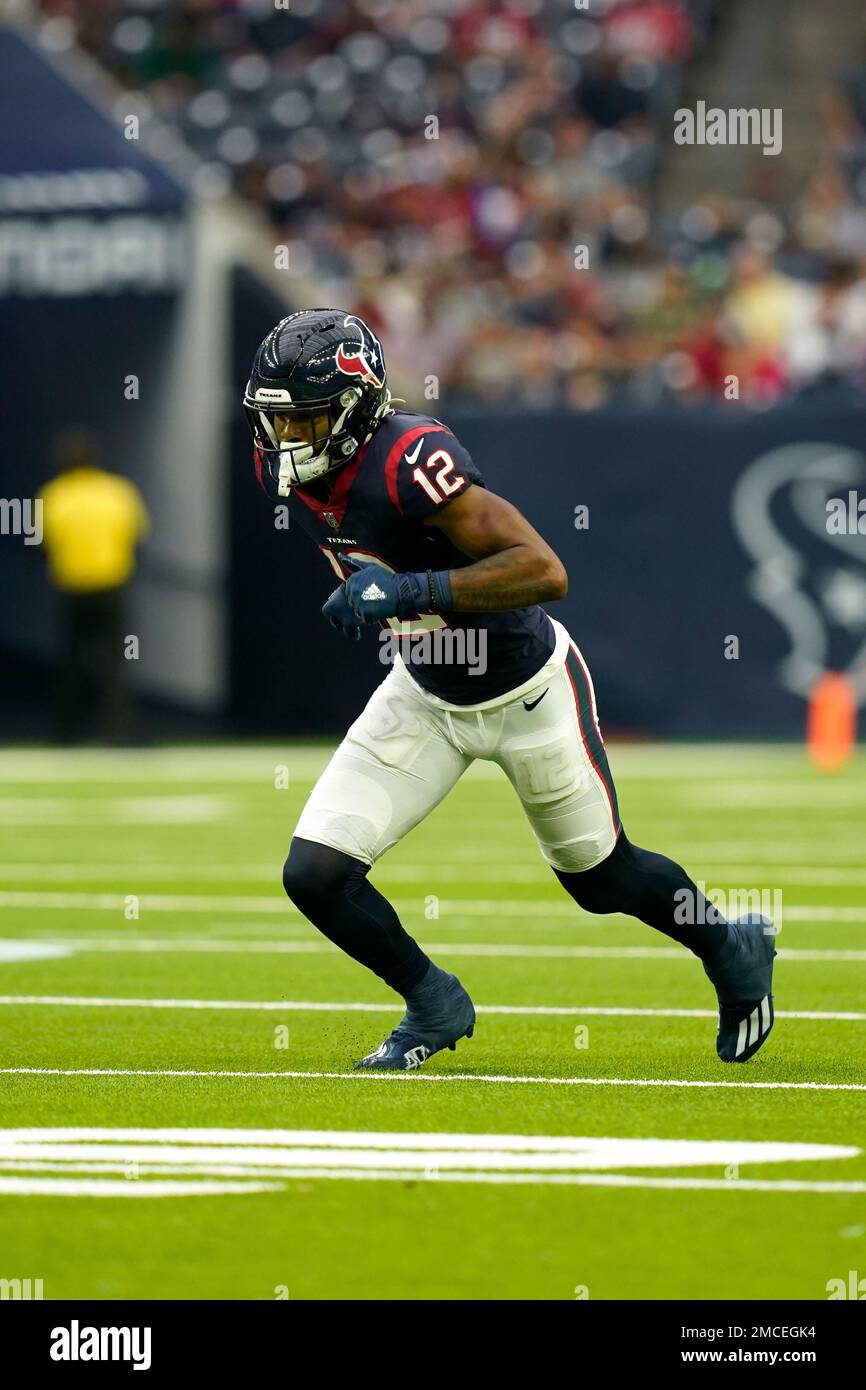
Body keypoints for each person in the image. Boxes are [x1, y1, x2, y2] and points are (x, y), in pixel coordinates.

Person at [244, 309, 776, 1071]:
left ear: (355, 408)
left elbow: (544, 570)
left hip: (526, 687)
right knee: (316, 873)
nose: (285, 437)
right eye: (277, 418)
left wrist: (405, 590)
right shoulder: (285, 463)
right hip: (425, 691)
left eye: (304, 418)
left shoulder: (410, 458)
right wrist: (400, 600)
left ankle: (731, 948)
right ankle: (433, 1000)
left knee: (600, 878)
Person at [39, 429, 149, 744]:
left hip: (72, 589)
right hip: (111, 587)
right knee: (117, 665)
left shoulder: (54, 494)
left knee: (70, 665)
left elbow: (45, 540)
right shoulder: (118, 491)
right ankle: (121, 734)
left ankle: (65, 736)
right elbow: (137, 534)